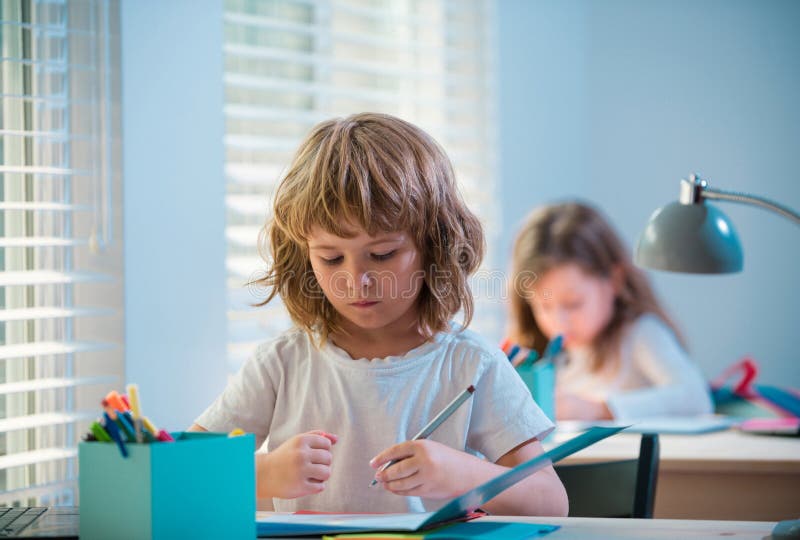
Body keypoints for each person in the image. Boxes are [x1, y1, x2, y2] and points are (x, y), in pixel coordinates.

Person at [190, 113, 567, 516]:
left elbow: (550, 502)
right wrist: (261, 473)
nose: (357, 281)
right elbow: (185, 473)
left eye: (383, 254)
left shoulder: (471, 364)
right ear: (304, 256)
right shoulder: (281, 364)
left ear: (434, 245)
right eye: (331, 258)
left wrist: (464, 474)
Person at [507, 201, 713, 421]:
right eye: (543, 306)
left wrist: (599, 410)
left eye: (574, 303)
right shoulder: (543, 357)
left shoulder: (639, 334)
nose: (559, 322)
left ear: (614, 280)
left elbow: (696, 399)